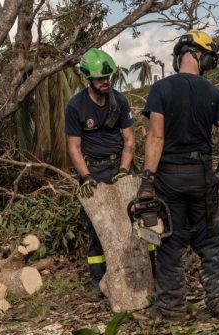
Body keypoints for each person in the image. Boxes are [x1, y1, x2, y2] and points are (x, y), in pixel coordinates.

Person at [140, 30, 219, 321]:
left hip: (168, 178)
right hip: (201, 176)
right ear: (199, 55)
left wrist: (147, 181)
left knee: (170, 245)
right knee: (211, 243)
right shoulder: (214, 93)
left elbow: (156, 138)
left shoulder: (161, 89)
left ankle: (172, 310)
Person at [65, 48, 135, 300]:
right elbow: (74, 146)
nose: (105, 82)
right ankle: (98, 279)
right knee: (96, 226)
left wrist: (125, 170)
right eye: (100, 78)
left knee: (136, 220)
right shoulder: (76, 106)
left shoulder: (119, 100)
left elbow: (129, 139)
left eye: (108, 77)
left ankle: (146, 271)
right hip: (94, 167)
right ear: (88, 78)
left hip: (120, 166)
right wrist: (86, 177)